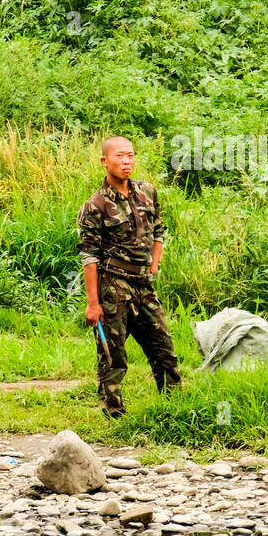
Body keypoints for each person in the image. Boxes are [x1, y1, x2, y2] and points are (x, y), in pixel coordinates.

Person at [77, 136, 182, 418]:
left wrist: (155, 264)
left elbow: (159, 230)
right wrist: (93, 303)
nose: (127, 161)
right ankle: (115, 415)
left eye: (131, 156)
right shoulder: (96, 205)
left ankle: (176, 408)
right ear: (105, 161)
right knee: (113, 357)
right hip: (113, 285)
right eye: (120, 156)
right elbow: (89, 257)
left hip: (143, 285)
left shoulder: (147, 191)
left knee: (164, 349)